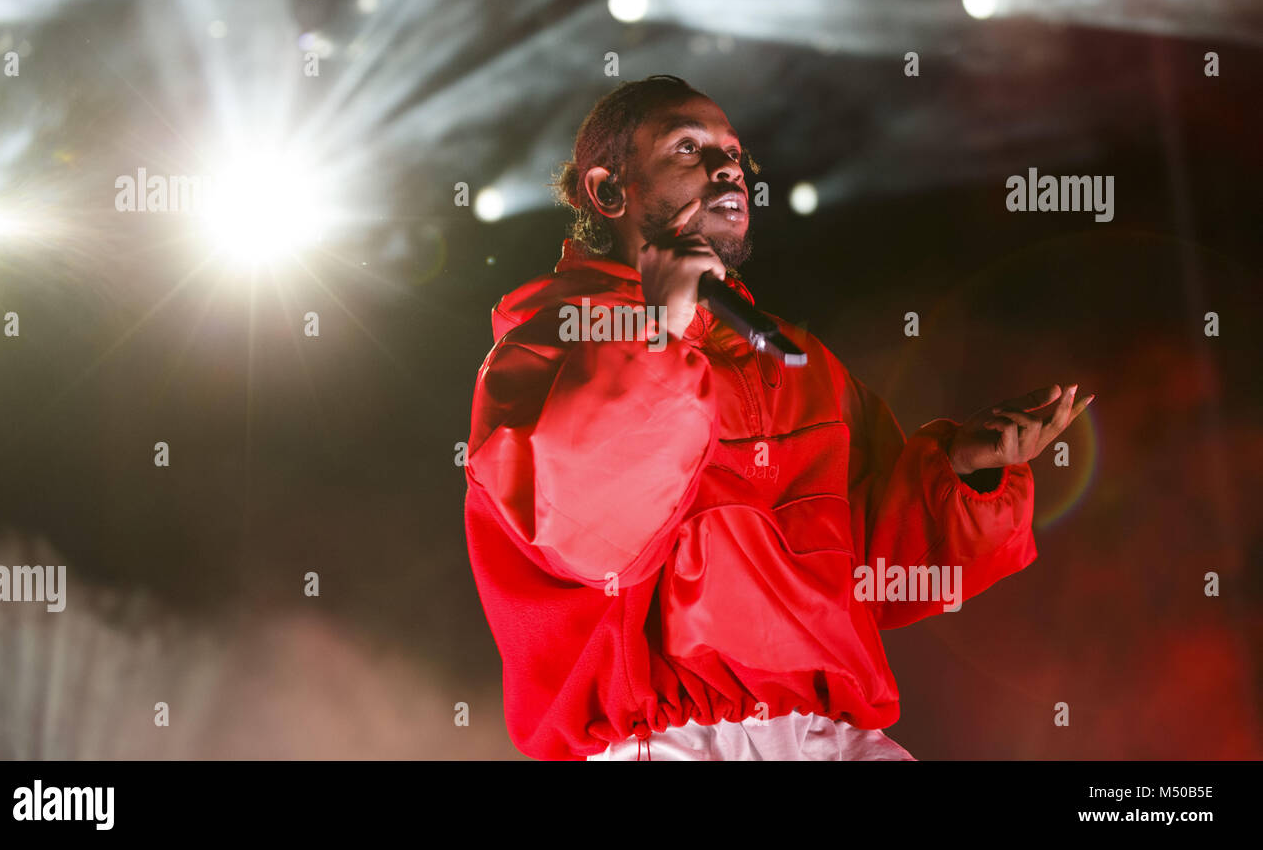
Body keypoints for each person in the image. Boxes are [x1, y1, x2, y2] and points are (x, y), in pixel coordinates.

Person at [462, 75, 1093, 761]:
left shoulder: (802, 364)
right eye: (688, 147)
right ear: (609, 191)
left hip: (836, 739)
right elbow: (585, 526)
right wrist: (659, 330)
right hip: (669, 742)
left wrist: (966, 474)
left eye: (732, 151)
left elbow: (873, 569)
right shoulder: (546, 343)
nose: (727, 165)